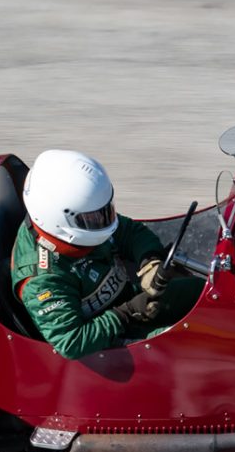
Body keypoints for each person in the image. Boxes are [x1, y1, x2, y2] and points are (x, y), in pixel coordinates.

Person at [11, 149, 198, 359]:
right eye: (94, 218)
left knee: (203, 293)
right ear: (58, 221)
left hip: (130, 301)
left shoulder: (85, 219)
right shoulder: (43, 279)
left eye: (105, 211)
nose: (104, 220)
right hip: (108, 342)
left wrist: (150, 261)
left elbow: (128, 231)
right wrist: (126, 314)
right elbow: (72, 342)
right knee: (193, 343)